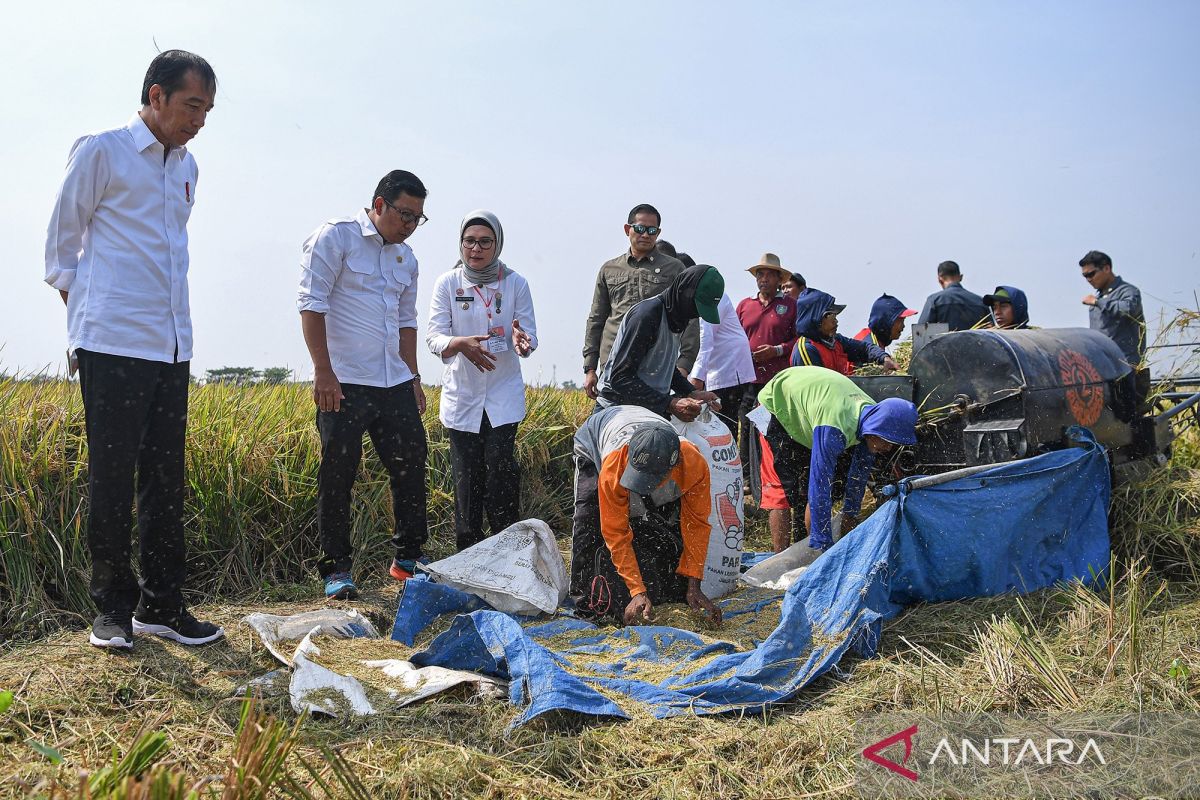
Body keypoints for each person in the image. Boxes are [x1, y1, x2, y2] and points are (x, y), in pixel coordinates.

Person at [44, 50, 223, 650]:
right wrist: (86, 324)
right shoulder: (103, 150)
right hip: (113, 341)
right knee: (113, 479)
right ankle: (112, 611)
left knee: (165, 481)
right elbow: (61, 247)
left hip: (172, 345)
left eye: (207, 110)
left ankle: (162, 607)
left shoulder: (188, 166)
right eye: (191, 105)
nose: (199, 119)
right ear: (156, 95)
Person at [298, 170, 430, 600]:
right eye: (404, 214)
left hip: (393, 381)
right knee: (339, 475)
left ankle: (407, 560)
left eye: (418, 218)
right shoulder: (334, 238)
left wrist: (412, 375)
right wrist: (323, 371)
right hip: (345, 382)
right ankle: (336, 569)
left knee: (411, 465)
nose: (410, 225)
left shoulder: (405, 259)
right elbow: (311, 305)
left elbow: (407, 322)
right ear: (379, 204)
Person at [427, 210, 537, 551]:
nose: (476, 248)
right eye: (469, 241)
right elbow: (434, 337)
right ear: (461, 243)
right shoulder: (448, 283)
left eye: (485, 242)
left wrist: (523, 341)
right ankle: (468, 550)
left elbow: (528, 334)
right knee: (467, 477)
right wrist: (459, 344)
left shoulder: (516, 283)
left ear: (498, 244)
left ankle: (507, 550)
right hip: (463, 396)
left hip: (502, 395)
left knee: (501, 472)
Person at [569, 405, 723, 625]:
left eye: (651, 480)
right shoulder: (614, 466)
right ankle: (587, 604)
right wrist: (636, 590)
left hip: (653, 438)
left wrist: (694, 584)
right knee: (589, 522)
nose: (643, 487)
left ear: (674, 465)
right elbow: (616, 532)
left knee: (661, 521)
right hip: (593, 441)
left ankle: (664, 583)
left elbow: (696, 525)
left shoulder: (694, 465)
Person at [756, 367, 917, 558]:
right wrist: (824, 546)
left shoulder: (872, 419)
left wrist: (848, 540)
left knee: (822, 488)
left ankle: (812, 558)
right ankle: (779, 565)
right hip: (776, 405)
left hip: (811, 409)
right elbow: (819, 486)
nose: (888, 449)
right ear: (877, 430)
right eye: (888, 442)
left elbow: (857, 483)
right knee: (782, 492)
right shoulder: (834, 427)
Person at [582, 205, 699, 399]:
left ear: (658, 232)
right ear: (628, 229)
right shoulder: (609, 269)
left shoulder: (674, 269)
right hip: (613, 362)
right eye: (640, 228)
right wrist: (590, 367)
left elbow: (691, 321)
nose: (645, 234)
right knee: (609, 418)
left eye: (652, 230)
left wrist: (684, 365)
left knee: (653, 422)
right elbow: (596, 319)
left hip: (656, 364)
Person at [596, 265, 724, 421]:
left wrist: (691, 392)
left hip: (648, 410)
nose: (694, 314)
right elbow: (621, 378)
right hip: (618, 410)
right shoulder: (647, 316)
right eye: (695, 307)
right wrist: (669, 403)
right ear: (683, 291)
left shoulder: (677, 315)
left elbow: (662, 368)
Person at [735, 254, 798, 475]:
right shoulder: (745, 306)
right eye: (760, 274)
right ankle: (746, 475)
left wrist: (776, 350)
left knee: (770, 427)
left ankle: (770, 474)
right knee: (747, 425)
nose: (763, 279)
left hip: (776, 382)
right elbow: (734, 338)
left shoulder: (789, 306)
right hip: (748, 380)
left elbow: (798, 341)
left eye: (769, 275)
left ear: (779, 279)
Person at [688, 291, 755, 445]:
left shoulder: (712, 295)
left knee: (725, 424)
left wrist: (696, 377)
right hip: (713, 367)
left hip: (728, 369)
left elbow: (706, 338)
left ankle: (733, 465)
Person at [792, 289, 896, 374]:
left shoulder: (836, 341)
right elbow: (820, 388)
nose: (836, 321)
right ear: (816, 318)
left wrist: (884, 358)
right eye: (831, 315)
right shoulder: (806, 349)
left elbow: (865, 348)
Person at [1079, 250, 1146, 368]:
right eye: (1085, 276)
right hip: (1103, 364)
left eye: (1091, 274)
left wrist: (1098, 302)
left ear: (1106, 269)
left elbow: (1127, 310)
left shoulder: (1127, 291)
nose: (1088, 279)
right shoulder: (1099, 297)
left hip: (1126, 365)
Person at [916, 260, 990, 331]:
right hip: (976, 344)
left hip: (944, 344)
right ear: (961, 277)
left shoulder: (934, 300)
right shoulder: (981, 301)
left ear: (940, 280)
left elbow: (921, 332)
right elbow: (991, 331)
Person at [854, 294, 918, 351]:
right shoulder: (868, 346)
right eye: (900, 321)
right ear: (887, 323)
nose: (903, 326)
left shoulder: (875, 340)